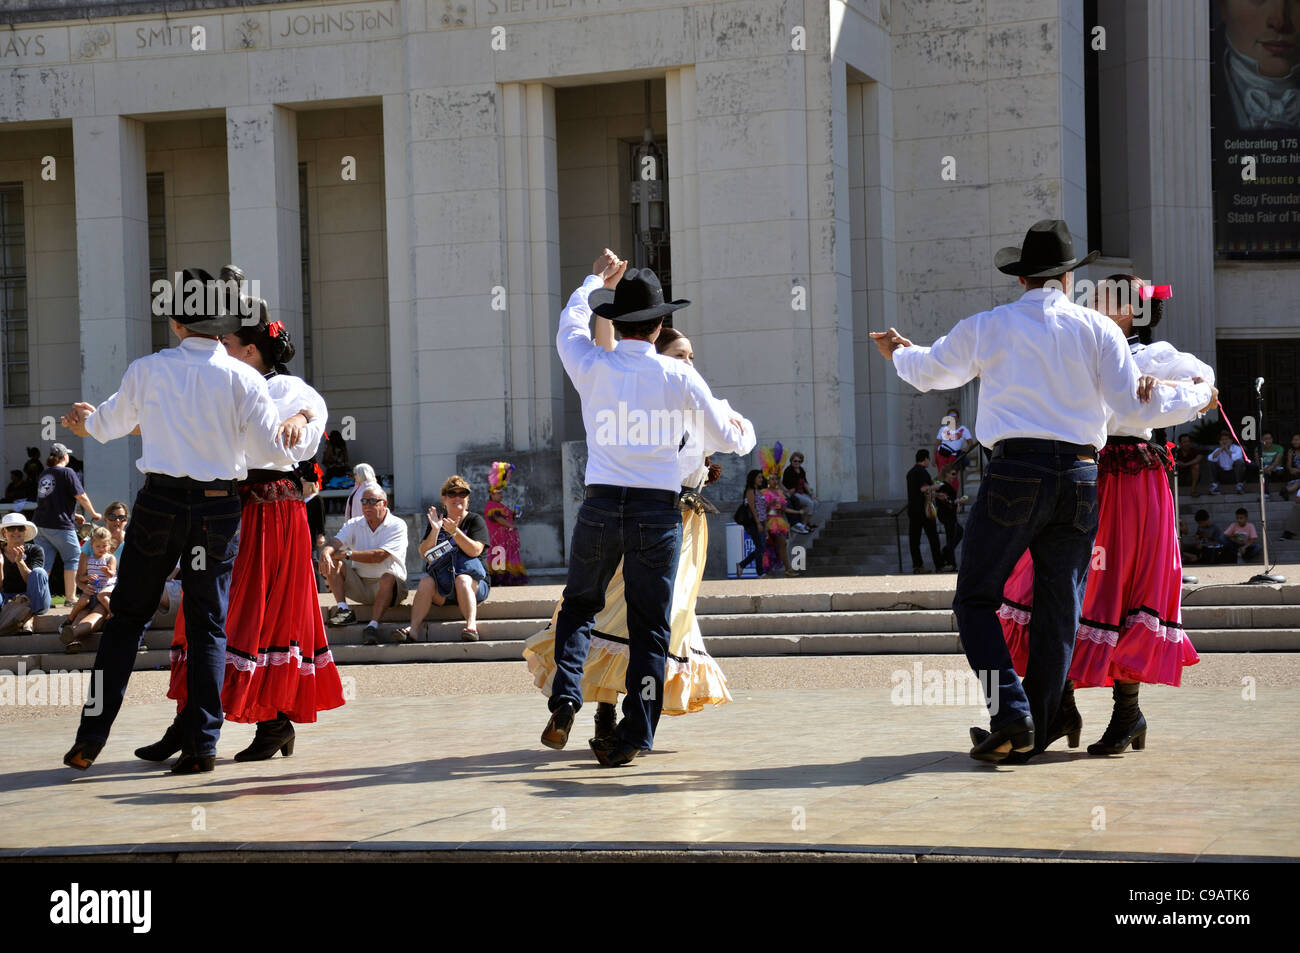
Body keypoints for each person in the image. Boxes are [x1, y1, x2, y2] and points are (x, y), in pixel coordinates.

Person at [872, 219, 1169, 764]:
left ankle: (1013, 712)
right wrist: (1191, 394)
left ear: (1021, 278)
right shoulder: (1097, 330)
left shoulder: (991, 325)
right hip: (1081, 474)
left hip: (1016, 473)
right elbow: (1132, 404)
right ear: (1067, 277)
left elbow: (931, 372)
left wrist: (898, 353)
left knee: (976, 598)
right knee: (1061, 607)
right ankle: (1039, 713)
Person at [60, 267, 290, 773]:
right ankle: (203, 744)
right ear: (221, 326)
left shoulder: (148, 369)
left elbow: (105, 426)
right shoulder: (244, 376)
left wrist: (82, 422)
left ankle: (91, 737)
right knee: (209, 624)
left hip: (160, 504)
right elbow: (269, 450)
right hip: (217, 506)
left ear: (175, 322)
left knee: (125, 622)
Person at [542, 249, 752, 768]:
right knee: (649, 629)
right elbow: (726, 436)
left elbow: (568, 324)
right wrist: (739, 430)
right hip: (655, 514)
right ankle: (634, 731)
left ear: (617, 322)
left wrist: (594, 278)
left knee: (579, 607)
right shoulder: (677, 377)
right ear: (659, 327)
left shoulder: (591, 365)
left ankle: (567, 697)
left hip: (600, 504)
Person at [995, 274, 1216, 757]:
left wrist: (1184, 390)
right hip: (1081, 471)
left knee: (1121, 585)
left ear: (1131, 311)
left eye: (1103, 299)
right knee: (1054, 583)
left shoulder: (1158, 357)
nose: (1091, 303)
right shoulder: (1080, 345)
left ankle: (1126, 712)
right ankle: (1060, 707)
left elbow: (1204, 385)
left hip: (1132, 477)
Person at [143, 305, 343, 765]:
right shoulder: (227, 380)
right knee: (208, 609)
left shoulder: (286, 387)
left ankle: (269, 721)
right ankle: (193, 719)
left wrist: (305, 415)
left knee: (256, 612)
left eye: (229, 343)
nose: (220, 348)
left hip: (268, 510)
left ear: (251, 350)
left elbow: (302, 427)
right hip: (227, 504)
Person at [398, 475, 490, 643]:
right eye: (452, 494)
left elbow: (475, 550)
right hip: (444, 584)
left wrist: (455, 532)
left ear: (467, 499)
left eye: (462, 494)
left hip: (474, 585)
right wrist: (435, 530)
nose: (457, 497)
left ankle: (471, 627)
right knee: (425, 581)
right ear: (444, 499)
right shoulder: (437, 522)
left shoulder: (475, 521)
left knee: (463, 579)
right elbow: (425, 554)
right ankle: (413, 629)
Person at [319, 485, 409, 643]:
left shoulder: (397, 524)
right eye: (364, 501)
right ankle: (344, 610)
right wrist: (326, 552)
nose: (367, 506)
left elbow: (378, 556)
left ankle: (373, 626)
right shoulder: (354, 523)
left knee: (388, 576)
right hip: (360, 585)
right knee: (333, 560)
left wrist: (347, 554)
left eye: (373, 501)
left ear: (384, 503)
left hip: (391, 588)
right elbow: (336, 541)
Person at [32, 443, 101, 602]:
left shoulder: (45, 474)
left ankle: (39, 600)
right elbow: (81, 496)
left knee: (44, 564)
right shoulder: (67, 472)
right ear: (64, 457)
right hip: (60, 525)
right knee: (73, 558)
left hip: (41, 525)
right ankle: (70, 598)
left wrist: (74, 514)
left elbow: (49, 500)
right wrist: (93, 513)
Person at [60, 526, 115, 640]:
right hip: (92, 589)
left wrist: (107, 571)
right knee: (84, 600)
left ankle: (115, 616)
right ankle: (70, 619)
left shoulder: (110, 558)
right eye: (98, 546)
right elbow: (81, 577)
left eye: (104, 546)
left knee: (102, 600)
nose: (101, 549)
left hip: (103, 590)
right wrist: (87, 578)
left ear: (110, 545)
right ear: (92, 545)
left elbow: (112, 574)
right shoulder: (88, 559)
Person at [0, 512, 51, 636]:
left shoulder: (35, 550)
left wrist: (20, 562)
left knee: (39, 572)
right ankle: (26, 620)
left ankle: (28, 616)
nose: (16, 531)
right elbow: (1, 587)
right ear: (4, 533)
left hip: (35, 599)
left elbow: (34, 581)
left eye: (20, 528)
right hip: (7, 598)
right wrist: (0, 566)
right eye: (11, 528)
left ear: (24, 532)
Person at [484, 462, 528, 586]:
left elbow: (506, 517)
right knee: (498, 557)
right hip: (498, 539)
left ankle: (508, 579)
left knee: (507, 557)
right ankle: (497, 579)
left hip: (506, 539)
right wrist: (511, 526)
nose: (501, 495)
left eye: (501, 493)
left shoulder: (500, 505)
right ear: (492, 494)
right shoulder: (491, 506)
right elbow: (498, 518)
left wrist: (514, 514)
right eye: (498, 493)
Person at [760, 444, 797, 575]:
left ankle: (783, 569)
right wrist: (770, 505)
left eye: (776, 478)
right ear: (768, 479)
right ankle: (786, 569)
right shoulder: (764, 492)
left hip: (780, 521)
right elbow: (762, 509)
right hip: (770, 522)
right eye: (772, 478)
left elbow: (784, 508)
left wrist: (797, 512)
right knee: (776, 546)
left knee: (780, 545)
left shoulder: (779, 491)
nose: (775, 481)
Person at [906, 449, 942, 575]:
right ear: (925, 459)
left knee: (914, 540)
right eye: (928, 459)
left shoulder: (910, 473)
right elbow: (923, 488)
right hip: (925, 511)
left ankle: (918, 565)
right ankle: (939, 565)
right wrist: (935, 487)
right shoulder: (922, 472)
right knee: (933, 538)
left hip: (913, 510)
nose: (929, 461)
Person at [735, 469, 767, 577]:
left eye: (761, 477)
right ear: (753, 478)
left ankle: (742, 565)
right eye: (759, 477)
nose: (761, 479)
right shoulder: (750, 490)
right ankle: (760, 572)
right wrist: (758, 523)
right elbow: (752, 507)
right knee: (760, 547)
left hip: (761, 521)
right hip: (753, 523)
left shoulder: (759, 490)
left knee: (761, 547)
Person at [935, 409, 972, 491]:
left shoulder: (963, 429)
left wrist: (967, 449)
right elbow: (937, 444)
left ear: (958, 417)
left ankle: (953, 498)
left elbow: (970, 442)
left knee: (953, 477)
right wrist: (934, 458)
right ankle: (940, 496)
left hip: (954, 457)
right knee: (941, 476)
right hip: (942, 455)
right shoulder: (943, 429)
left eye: (954, 416)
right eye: (950, 416)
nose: (952, 418)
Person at [782, 451, 818, 534]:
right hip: (793, 494)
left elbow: (805, 483)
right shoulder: (789, 471)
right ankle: (803, 525)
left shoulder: (801, 470)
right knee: (809, 503)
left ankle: (807, 523)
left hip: (801, 492)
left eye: (799, 461)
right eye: (795, 461)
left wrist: (811, 493)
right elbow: (789, 487)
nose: (797, 463)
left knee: (815, 502)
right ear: (791, 461)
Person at [933, 479, 964, 572]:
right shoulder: (940, 484)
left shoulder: (948, 485)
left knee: (958, 533)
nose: (954, 476)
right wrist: (954, 502)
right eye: (953, 474)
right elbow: (944, 499)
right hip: (946, 514)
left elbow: (949, 500)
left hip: (950, 514)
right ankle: (950, 562)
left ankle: (947, 555)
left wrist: (957, 503)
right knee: (951, 536)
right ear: (946, 474)